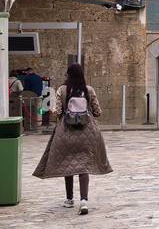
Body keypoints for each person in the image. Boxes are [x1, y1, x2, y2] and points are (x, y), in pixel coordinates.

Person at [31, 63, 112, 215]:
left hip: (67, 132)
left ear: (68, 75)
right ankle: (84, 200)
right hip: (87, 133)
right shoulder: (89, 90)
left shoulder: (62, 90)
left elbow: (59, 112)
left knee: (69, 164)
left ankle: (69, 199)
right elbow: (98, 112)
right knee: (84, 166)